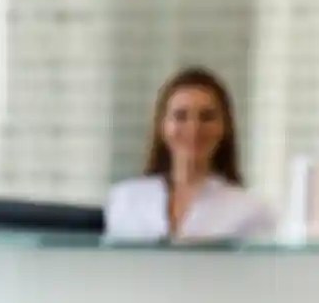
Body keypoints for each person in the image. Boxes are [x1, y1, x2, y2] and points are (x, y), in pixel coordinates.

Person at [104, 67, 275, 241]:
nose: (193, 129)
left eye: (207, 117)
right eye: (180, 116)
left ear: (224, 128)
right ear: (162, 126)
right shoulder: (125, 200)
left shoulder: (251, 211)